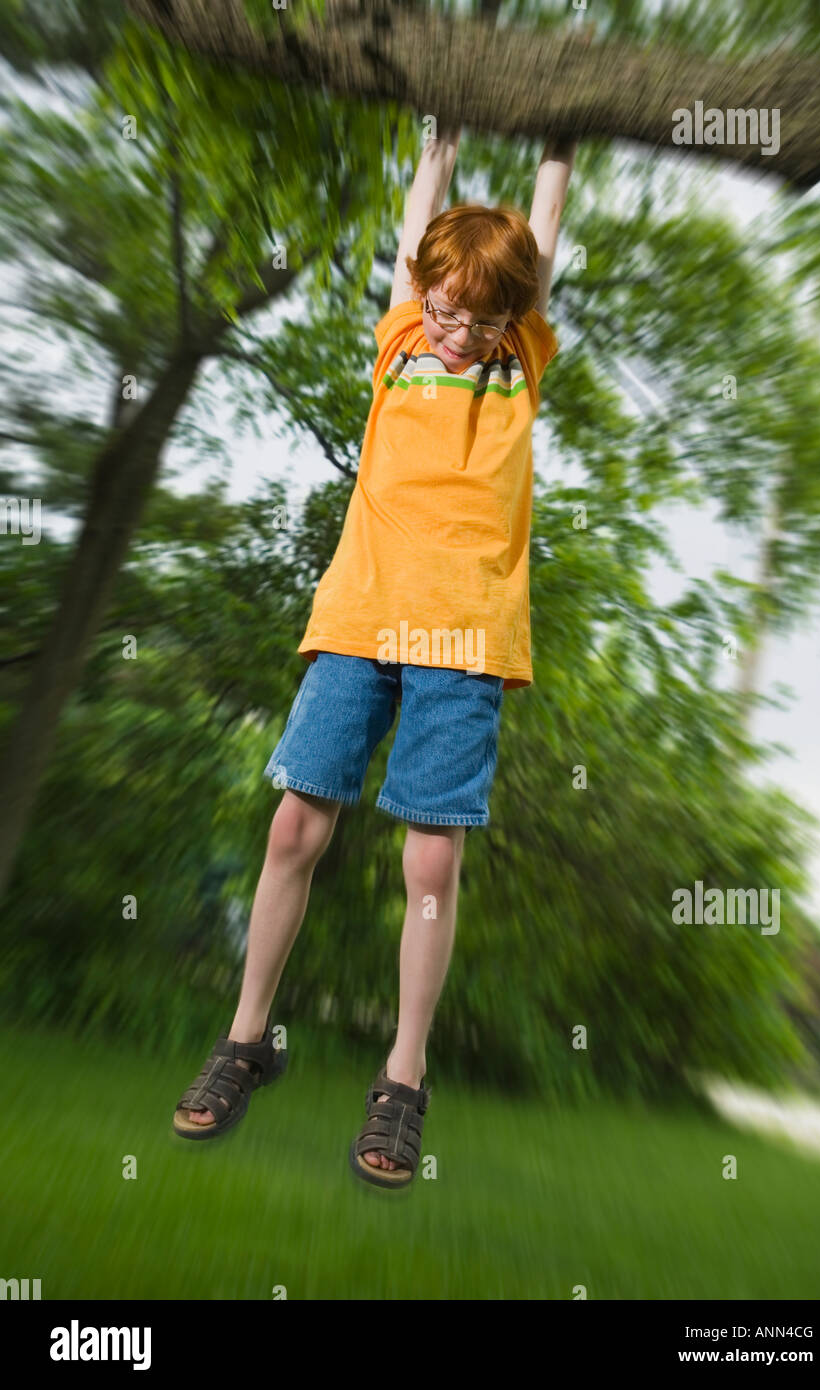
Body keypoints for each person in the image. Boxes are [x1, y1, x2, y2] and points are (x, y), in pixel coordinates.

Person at [172, 124, 578, 1189]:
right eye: (441, 307)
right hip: (359, 615)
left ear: (510, 318)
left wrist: (559, 146)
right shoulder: (401, 337)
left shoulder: (516, 362)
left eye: (475, 319)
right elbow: (419, 226)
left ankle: (401, 1078)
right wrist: (437, 141)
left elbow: (539, 238)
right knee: (296, 822)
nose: (452, 331)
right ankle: (247, 1037)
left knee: (431, 859)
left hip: (463, 635)